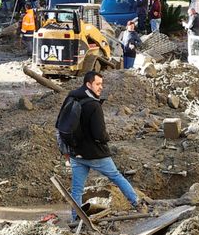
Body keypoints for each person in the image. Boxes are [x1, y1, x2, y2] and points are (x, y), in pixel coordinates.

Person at [57, 71, 143, 220]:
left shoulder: (71, 97)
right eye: (97, 84)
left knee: (77, 188)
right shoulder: (94, 105)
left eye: (101, 84)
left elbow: (60, 124)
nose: (101, 87)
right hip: (95, 154)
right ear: (88, 84)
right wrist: (106, 139)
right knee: (116, 176)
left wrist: (68, 150)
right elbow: (99, 134)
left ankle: (75, 218)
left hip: (76, 153)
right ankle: (137, 204)